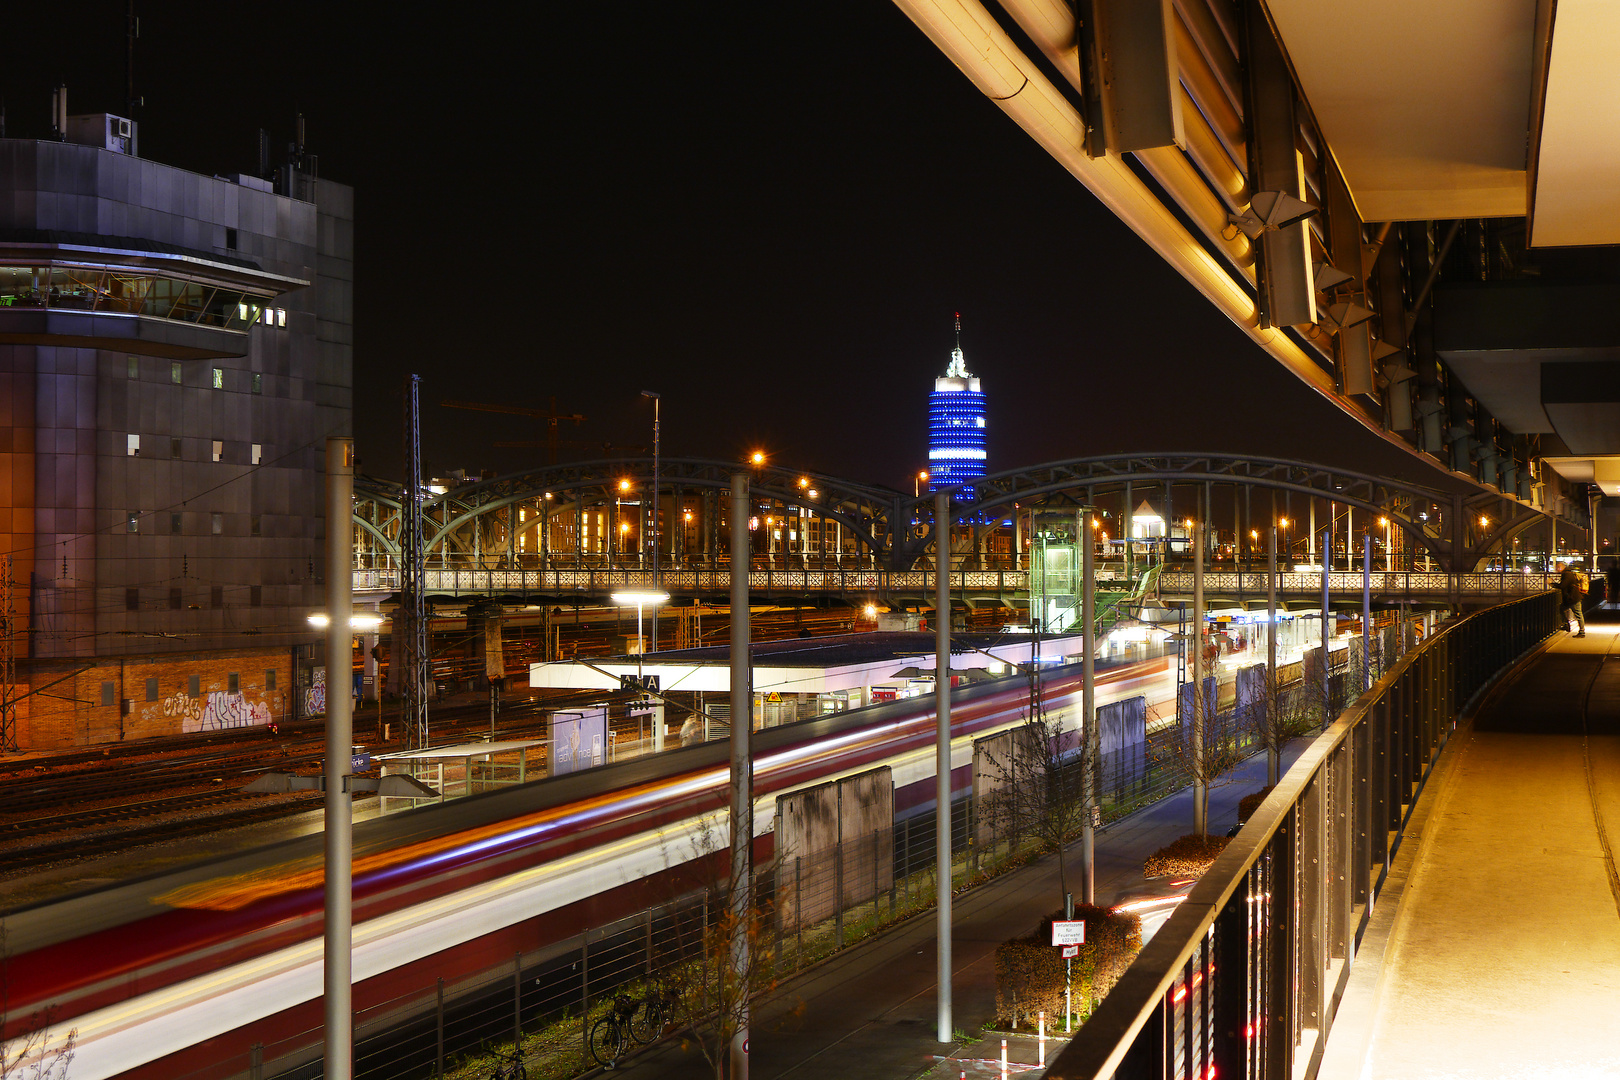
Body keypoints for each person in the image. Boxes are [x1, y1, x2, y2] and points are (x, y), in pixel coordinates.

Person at [1557, 561, 1586, 637]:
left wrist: (1551, 584)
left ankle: (1581, 632)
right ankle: (1566, 624)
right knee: (1562, 609)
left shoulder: (1567, 575)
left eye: (1558, 567)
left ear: (1562, 567)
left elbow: (1562, 586)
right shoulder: (1568, 573)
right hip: (1572, 598)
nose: (1557, 569)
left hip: (1573, 598)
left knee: (1578, 614)